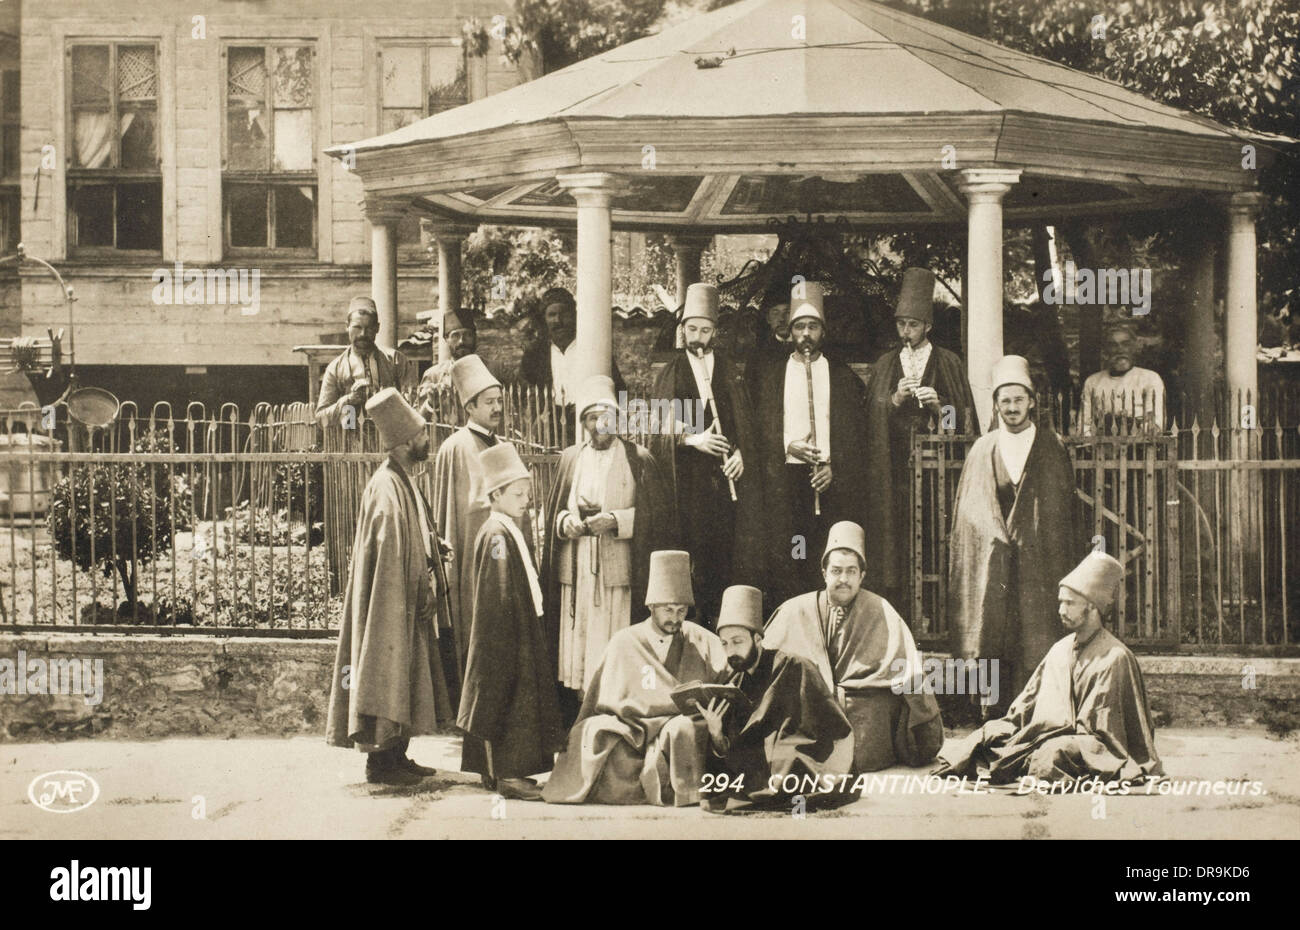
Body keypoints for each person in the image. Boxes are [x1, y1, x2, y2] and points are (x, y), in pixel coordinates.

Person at [936, 552, 1163, 784]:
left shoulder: (1116, 657)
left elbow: (1105, 731)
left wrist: (1058, 732)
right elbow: (1027, 703)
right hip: (1045, 733)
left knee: (1053, 753)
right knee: (987, 735)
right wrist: (1009, 727)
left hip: (1088, 743)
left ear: (1093, 607)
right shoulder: (1060, 649)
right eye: (1060, 602)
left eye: (1070, 603)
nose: (1061, 610)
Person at [325, 388, 452, 786]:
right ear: (405, 441)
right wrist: (419, 589)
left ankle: (398, 754)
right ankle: (381, 763)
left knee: (402, 672)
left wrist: (433, 546)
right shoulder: (386, 485)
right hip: (390, 600)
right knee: (387, 671)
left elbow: (411, 531)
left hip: (401, 596)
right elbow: (391, 545)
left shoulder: (403, 479)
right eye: (421, 435)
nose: (426, 440)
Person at [542, 551, 730, 807]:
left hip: (676, 725)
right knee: (593, 733)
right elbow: (595, 699)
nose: (675, 618)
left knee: (683, 730)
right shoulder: (625, 640)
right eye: (668, 610)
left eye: (681, 610)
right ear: (651, 606)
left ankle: (685, 795)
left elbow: (726, 679)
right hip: (631, 728)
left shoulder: (700, 640)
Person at [948, 355, 1080, 715]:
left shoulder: (1051, 448)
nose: (1011, 408)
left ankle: (1037, 710)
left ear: (1032, 402)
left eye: (1018, 399)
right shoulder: (982, 449)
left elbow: (1060, 514)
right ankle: (991, 713)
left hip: (1038, 566)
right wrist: (994, 536)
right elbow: (969, 515)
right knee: (992, 632)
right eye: (1004, 401)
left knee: (1034, 635)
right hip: (993, 568)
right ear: (996, 405)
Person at [765, 521, 943, 773]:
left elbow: (911, 674)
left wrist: (924, 731)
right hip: (811, 717)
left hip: (863, 727)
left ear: (862, 575)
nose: (843, 579)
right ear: (824, 572)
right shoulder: (795, 610)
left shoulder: (881, 611)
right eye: (836, 571)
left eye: (851, 571)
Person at [541, 375, 675, 704]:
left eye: (607, 418)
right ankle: (582, 705)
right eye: (592, 418)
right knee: (580, 645)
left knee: (614, 640)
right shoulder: (570, 458)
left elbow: (656, 517)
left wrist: (616, 521)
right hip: (578, 573)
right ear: (584, 422)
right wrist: (565, 522)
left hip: (618, 574)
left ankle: (614, 703)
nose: (600, 425)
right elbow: (554, 511)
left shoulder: (638, 458)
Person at [863, 267, 979, 604]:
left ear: (928, 326)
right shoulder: (886, 364)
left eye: (913, 324)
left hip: (936, 472)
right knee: (896, 540)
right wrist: (894, 400)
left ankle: (934, 606)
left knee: (933, 536)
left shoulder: (948, 362)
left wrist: (939, 405)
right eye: (901, 324)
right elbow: (870, 416)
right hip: (895, 470)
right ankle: (900, 608)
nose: (906, 331)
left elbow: (964, 420)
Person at [752, 281, 871, 607]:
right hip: (789, 483)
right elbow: (761, 430)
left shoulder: (841, 376)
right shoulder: (773, 375)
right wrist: (789, 445)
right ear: (790, 332)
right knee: (795, 549)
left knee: (828, 551)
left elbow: (857, 434)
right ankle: (795, 615)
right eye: (800, 326)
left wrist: (835, 466)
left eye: (813, 327)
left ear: (823, 331)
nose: (806, 333)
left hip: (831, 484)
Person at [458, 442, 565, 801]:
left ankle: (503, 772)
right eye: (518, 493)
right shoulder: (497, 536)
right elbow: (499, 594)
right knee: (509, 701)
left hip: (519, 630)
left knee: (516, 703)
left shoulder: (505, 529)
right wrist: (510, 640)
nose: (525, 500)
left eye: (527, 493)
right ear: (496, 493)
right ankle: (507, 774)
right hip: (508, 635)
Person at [648, 282, 760, 626]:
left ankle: (725, 625)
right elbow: (655, 428)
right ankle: (692, 626)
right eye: (692, 329)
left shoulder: (727, 368)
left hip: (727, 485)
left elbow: (745, 421)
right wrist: (692, 440)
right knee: (693, 559)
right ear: (683, 331)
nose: (698, 336)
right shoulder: (672, 369)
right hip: (689, 484)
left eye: (706, 330)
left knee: (726, 557)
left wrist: (741, 453)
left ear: (715, 332)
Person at [699, 584, 853, 813]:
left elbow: (829, 724)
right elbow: (733, 747)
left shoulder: (795, 665)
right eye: (725, 643)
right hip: (758, 761)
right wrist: (715, 732)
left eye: (738, 641)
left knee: (786, 765)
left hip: (800, 750)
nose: (731, 650)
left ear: (758, 639)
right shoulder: (735, 683)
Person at [432, 355, 503, 678]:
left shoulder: (504, 445)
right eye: (489, 402)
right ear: (470, 407)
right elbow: (454, 510)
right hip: (469, 557)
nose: (497, 408)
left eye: (499, 401)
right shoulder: (454, 447)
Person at [536, 287, 626, 439]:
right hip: (549, 427)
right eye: (552, 315)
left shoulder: (592, 350)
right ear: (544, 319)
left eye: (563, 314)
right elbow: (527, 391)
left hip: (587, 424)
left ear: (574, 316)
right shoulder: (536, 354)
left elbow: (618, 387)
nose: (558, 321)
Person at [315, 296, 415, 430]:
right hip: (349, 444)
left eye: (369, 328)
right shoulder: (335, 368)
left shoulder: (396, 361)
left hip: (389, 440)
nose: (363, 333)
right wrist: (349, 400)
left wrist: (388, 399)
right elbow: (321, 419)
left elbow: (414, 406)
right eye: (357, 327)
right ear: (347, 327)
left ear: (377, 328)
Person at [1079, 325, 1165, 436]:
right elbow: (1084, 425)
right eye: (1113, 345)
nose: (1120, 350)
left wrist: (1129, 441)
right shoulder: (1092, 382)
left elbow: (1156, 422)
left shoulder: (1150, 378)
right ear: (1105, 350)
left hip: (1139, 448)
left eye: (1125, 344)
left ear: (1134, 347)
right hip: (1101, 448)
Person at [416, 309, 478, 417]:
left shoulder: (493, 370)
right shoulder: (433, 375)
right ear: (446, 339)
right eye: (455, 336)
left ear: (475, 337)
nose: (461, 341)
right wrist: (431, 404)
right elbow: (416, 420)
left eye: (468, 335)